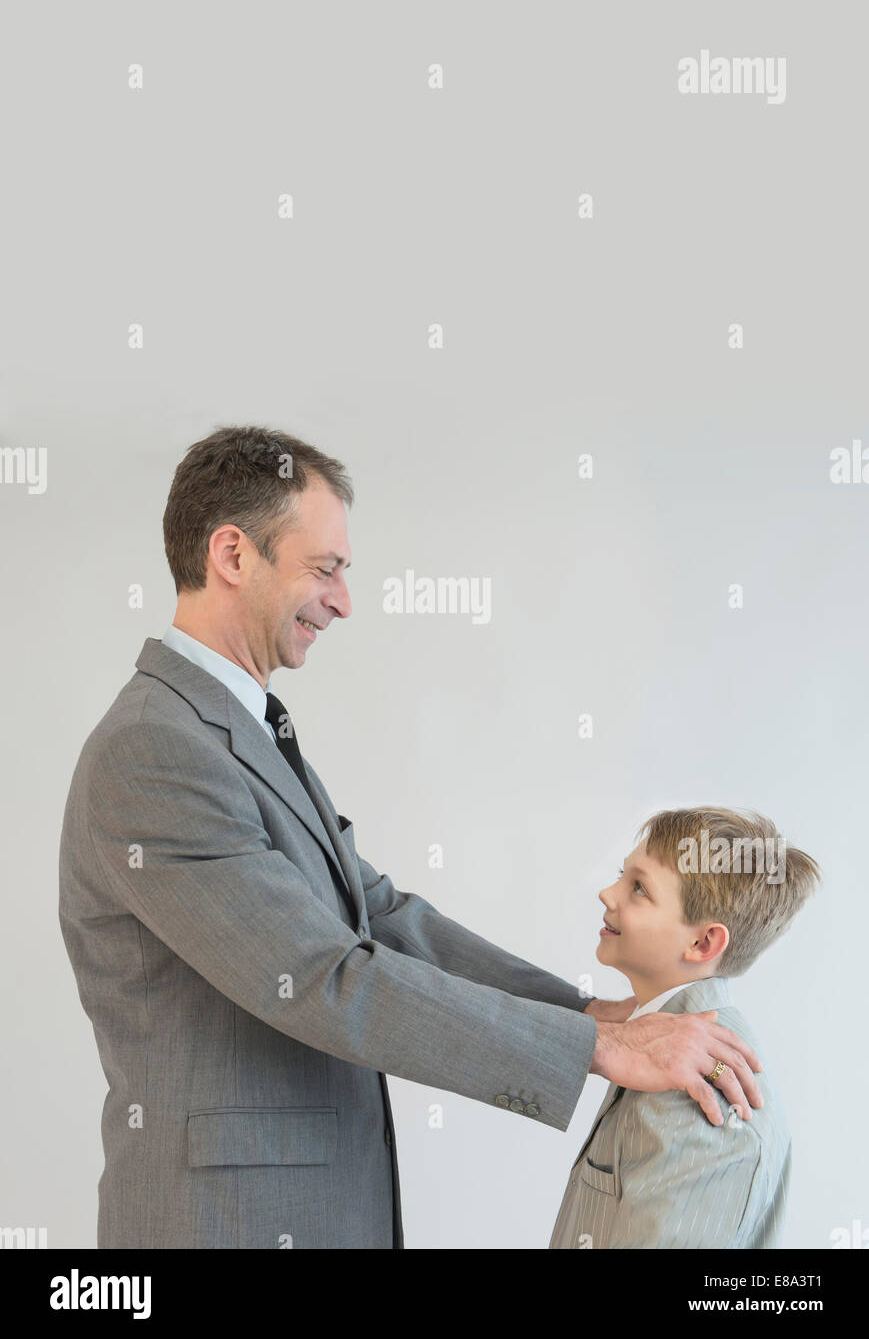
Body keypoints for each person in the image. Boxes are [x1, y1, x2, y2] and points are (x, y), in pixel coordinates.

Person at [58, 426, 765, 1249]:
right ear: (232, 555)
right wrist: (595, 1049)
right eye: (324, 569)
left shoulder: (237, 729)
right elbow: (321, 977)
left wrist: (583, 1010)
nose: (343, 600)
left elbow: (378, 913)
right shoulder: (154, 749)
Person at [549, 807, 821, 1249]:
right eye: (623, 874)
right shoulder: (661, 1047)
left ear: (703, 943)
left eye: (638, 888)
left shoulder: (700, 1103)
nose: (607, 893)